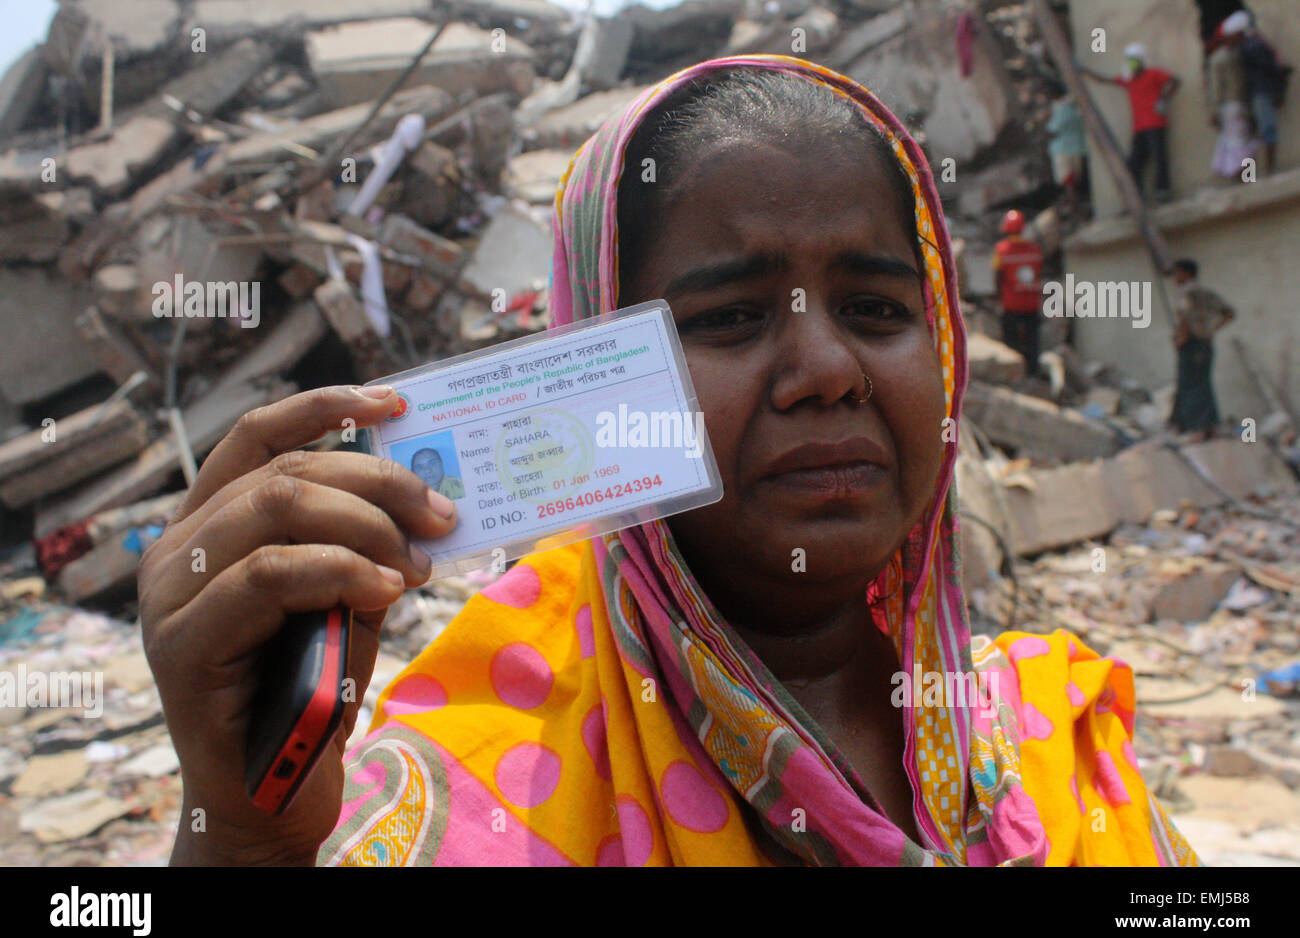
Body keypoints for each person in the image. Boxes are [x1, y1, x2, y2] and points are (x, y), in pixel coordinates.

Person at [140, 55, 1199, 867]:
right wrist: (241, 841)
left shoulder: (1046, 737)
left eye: (877, 309)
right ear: (595, 358)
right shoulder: (478, 769)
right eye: (731, 316)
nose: (826, 368)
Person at [1082, 42, 1180, 202]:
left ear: (1141, 60)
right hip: (1139, 128)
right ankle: (1136, 197)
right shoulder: (1129, 79)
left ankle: (1163, 192)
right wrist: (1084, 71)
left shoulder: (1153, 74)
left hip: (1155, 123)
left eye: (1133, 60)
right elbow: (1104, 80)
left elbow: (1175, 81)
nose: (1131, 63)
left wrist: (1164, 99)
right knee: (1134, 164)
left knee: (1159, 159)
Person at [1169, 258, 1234, 441]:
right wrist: (1211, 330)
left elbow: (1184, 317)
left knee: (1190, 385)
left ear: (1186, 274)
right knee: (1203, 383)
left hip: (1192, 344)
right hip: (1205, 343)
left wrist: (1181, 338)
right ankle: (1209, 426)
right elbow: (1228, 313)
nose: (1175, 277)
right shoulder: (1205, 293)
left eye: (1177, 272)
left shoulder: (1186, 293)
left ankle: (1196, 428)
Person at [991, 209, 1044, 377]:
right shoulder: (1035, 249)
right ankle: (1033, 371)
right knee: (1032, 340)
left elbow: (998, 276)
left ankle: (1015, 373)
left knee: (1011, 340)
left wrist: (999, 296)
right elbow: (1038, 273)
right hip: (1031, 303)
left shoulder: (1001, 249)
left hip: (1011, 303)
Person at [1238, 12, 1291, 176]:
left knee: (1255, 135)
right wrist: (1281, 72)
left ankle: (1253, 175)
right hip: (1260, 92)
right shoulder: (1253, 45)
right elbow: (1267, 66)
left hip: (1256, 92)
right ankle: (1267, 170)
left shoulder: (1250, 45)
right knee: (1266, 131)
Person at [1207, 13, 1256, 180]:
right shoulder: (1229, 56)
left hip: (1234, 105)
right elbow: (1216, 86)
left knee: (1238, 142)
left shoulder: (1228, 55)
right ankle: (1246, 177)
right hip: (1233, 105)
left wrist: (1214, 111)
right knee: (1241, 142)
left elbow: (1216, 87)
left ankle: (1245, 177)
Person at [1046, 87, 1087, 213]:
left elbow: (1051, 130)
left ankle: (1074, 206)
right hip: (1078, 147)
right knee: (1075, 179)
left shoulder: (1060, 110)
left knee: (1068, 181)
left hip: (1063, 150)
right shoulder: (1076, 109)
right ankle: (1075, 203)